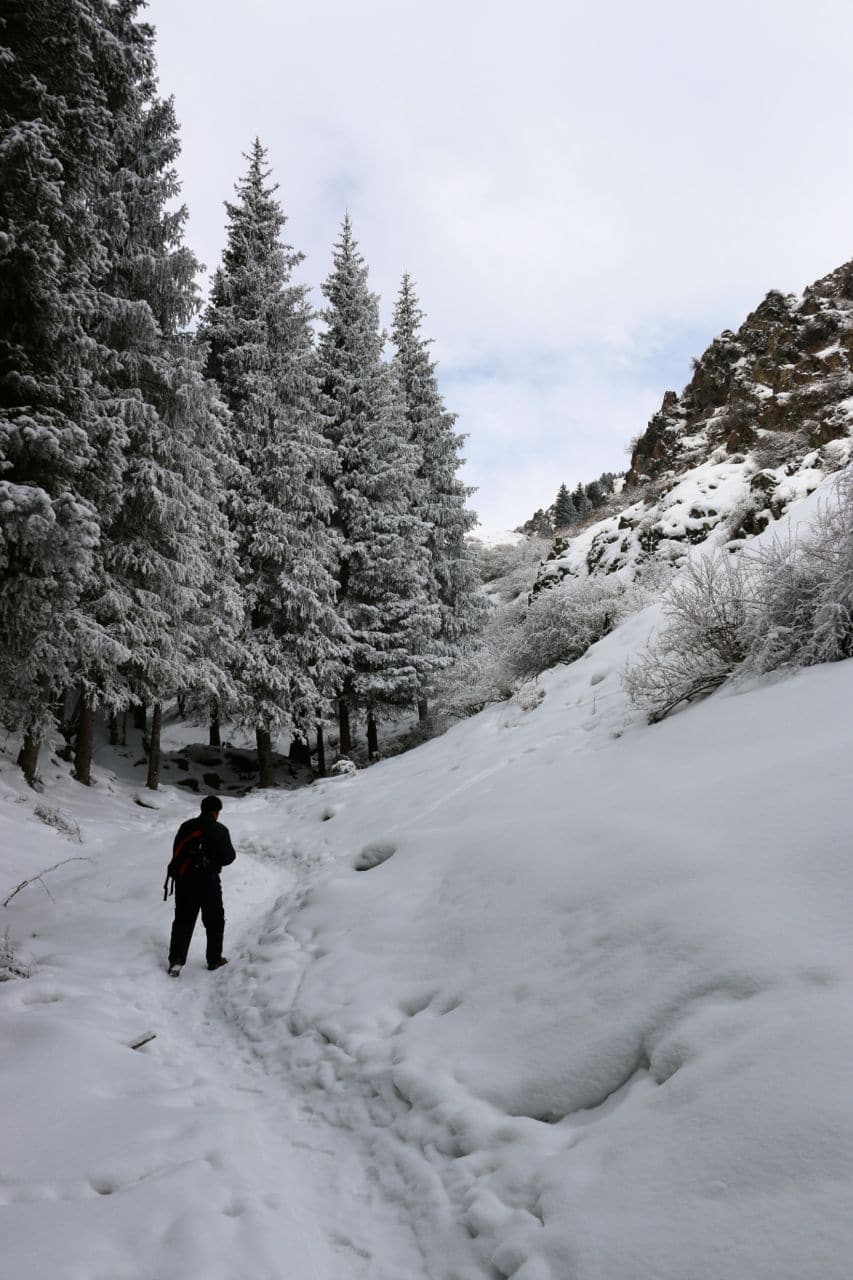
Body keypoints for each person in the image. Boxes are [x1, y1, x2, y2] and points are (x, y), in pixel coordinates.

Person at [166, 795, 236, 977]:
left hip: (184, 881)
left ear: (202, 808)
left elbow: (176, 851)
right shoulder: (220, 830)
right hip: (208, 881)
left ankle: (176, 961)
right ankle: (214, 959)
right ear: (216, 812)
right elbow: (229, 857)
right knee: (214, 920)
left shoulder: (186, 826)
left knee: (183, 920)